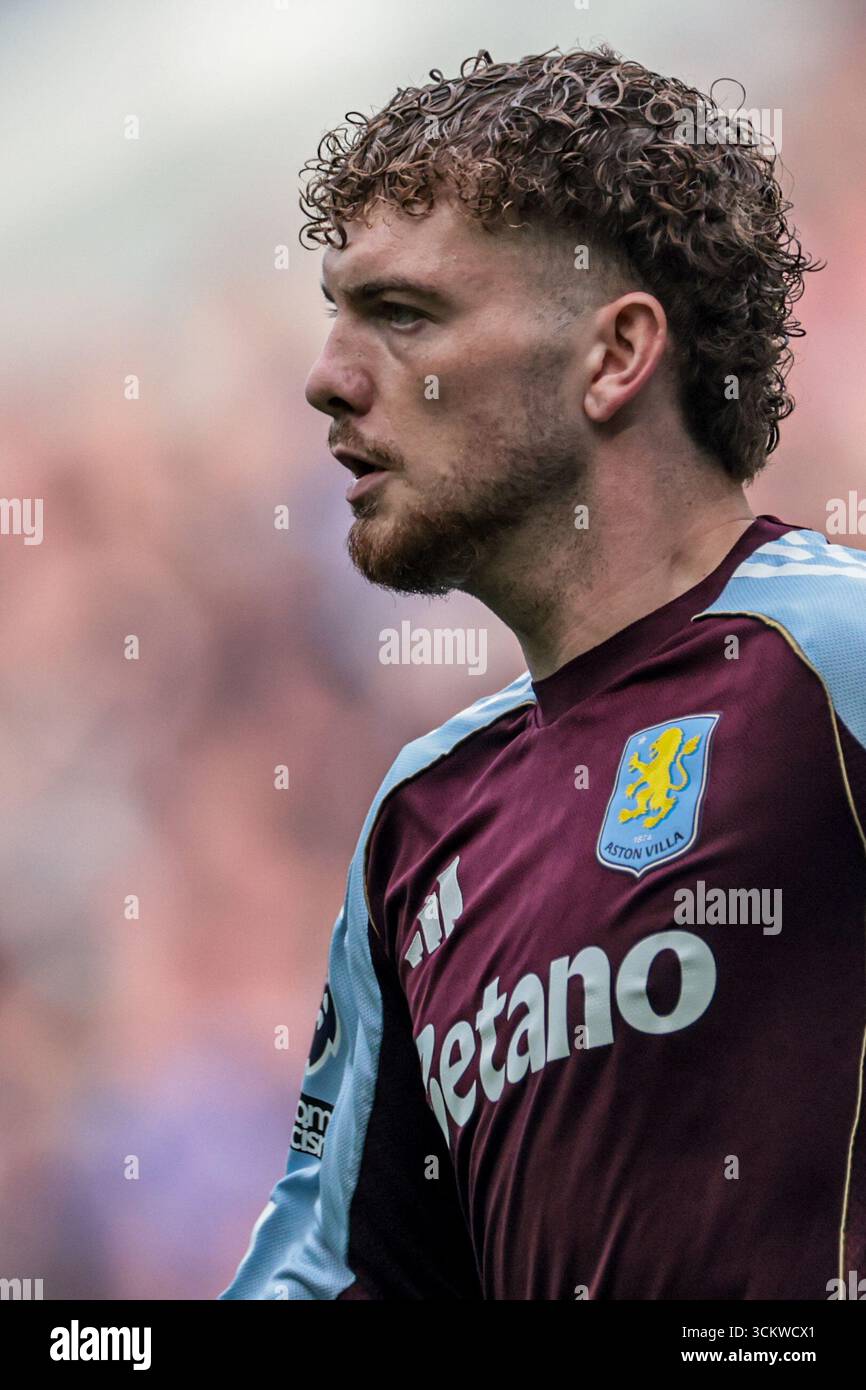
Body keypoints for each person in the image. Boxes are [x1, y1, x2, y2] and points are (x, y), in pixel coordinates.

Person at [220, 45, 866, 1300]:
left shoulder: (831, 657)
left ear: (614, 356)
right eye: (337, 314)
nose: (329, 378)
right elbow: (329, 1271)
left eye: (401, 316)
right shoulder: (415, 829)